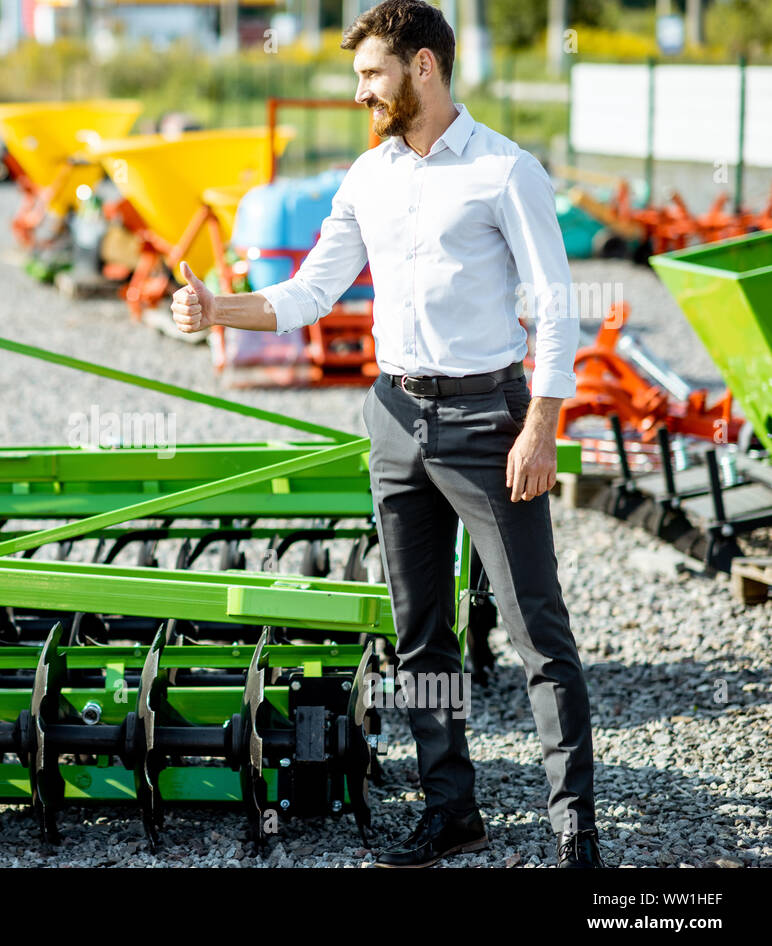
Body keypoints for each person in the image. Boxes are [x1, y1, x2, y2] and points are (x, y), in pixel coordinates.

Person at [171, 0, 601, 868]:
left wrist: (541, 425)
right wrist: (221, 307)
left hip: (489, 419)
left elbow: (555, 308)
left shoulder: (506, 171)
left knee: (537, 634)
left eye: (374, 73)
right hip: (395, 420)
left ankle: (575, 831)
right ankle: (453, 810)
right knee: (420, 637)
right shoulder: (368, 177)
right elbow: (310, 293)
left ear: (424, 69)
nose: (363, 90)